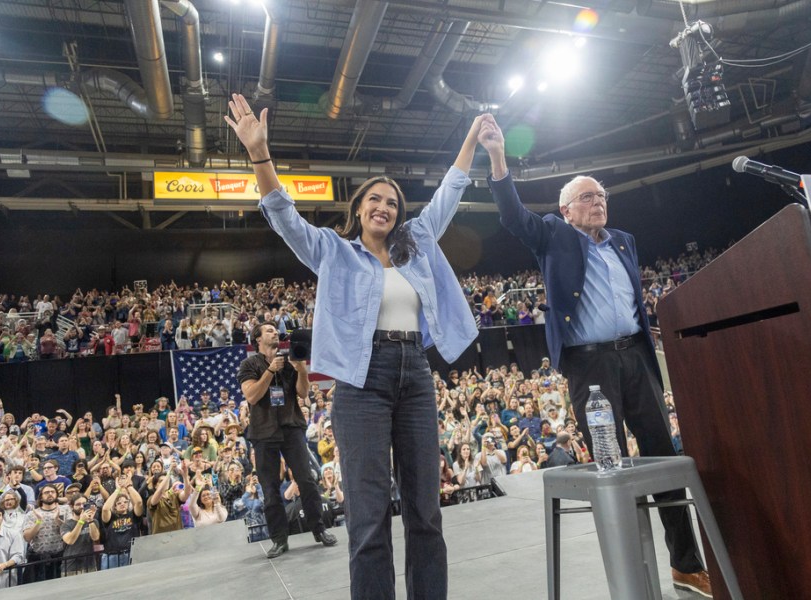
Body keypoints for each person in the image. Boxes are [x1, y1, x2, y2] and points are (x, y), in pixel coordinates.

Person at [225, 93, 483, 600]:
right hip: (361, 382)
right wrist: (259, 153)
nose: (384, 207)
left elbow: (450, 190)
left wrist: (472, 137)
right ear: (359, 208)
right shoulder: (333, 251)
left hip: (416, 375)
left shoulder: (417, 244)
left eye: (393, 202)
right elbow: (283, 215)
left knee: (426, 512)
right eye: (375, 199)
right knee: (368, 517)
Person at [480, 116, 712, 597]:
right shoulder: (553, 234)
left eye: (602, 196)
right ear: (566, 210)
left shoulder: (625, 241)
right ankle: (631, 575)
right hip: (591, 367)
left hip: (637, 359)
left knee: (663, 458)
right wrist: (498, 155)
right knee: (611, 465)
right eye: (587, 197)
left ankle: (685, 565)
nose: (598, 202)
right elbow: (513, 216)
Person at [236, 323, 337, 558]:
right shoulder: (249, 364)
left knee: (307, 481)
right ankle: (280, 540)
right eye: (269, 330)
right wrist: (270, 371)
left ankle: (319, 530)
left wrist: (301, 370)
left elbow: (302, 392)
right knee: (270, 489)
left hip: (291, 427)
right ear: (257, 339)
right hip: (263, 433)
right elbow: (251, 395)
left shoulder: (289, 359)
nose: (274, 332)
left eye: (275, 330)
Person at [99, 472, 144, 569]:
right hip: (112, 556)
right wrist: (117, 490)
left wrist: (128, 486)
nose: (122, 504)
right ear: (114, 506)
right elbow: (105, 509)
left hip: (131, 553)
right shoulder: (111, 518)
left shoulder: (133, 515)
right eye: (119, 503)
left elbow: (139, 502)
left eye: (125, 502)